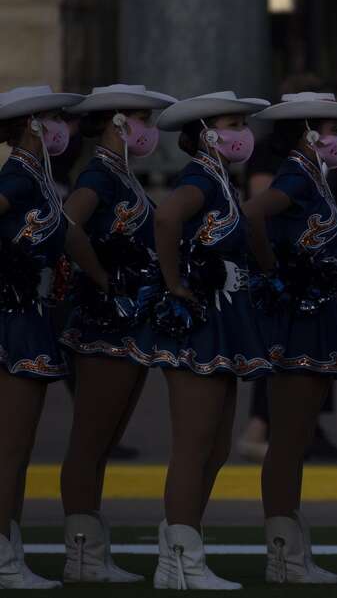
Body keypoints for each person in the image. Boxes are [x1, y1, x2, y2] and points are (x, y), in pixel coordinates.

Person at [138, 91, 274, 590]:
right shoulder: (199, 179)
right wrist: (174, 282)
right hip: (200, 325)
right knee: (194, 446)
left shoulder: (221, 180)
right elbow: (166, 218)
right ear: (207, 133)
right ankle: (180, 560)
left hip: (224, 323)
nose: (244, 133)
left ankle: (183, 546)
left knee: (215, 448)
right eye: (234, 123)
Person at [243, 91, 337, 582]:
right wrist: (273, 269)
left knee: (296, 438)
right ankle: (284, 556)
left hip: (314, 316)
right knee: (289, 440)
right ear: (309, 133)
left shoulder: (313, 175)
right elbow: (252, 213)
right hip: (296, 319)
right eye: (332, 130)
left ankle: (290, 549)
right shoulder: (295, 174)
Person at [58, 84, 175, 583]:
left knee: (104, 440)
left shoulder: (119, 173)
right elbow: (67, 225)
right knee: (90, 440)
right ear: (118, 122)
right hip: (103, 321)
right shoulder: (99, 174)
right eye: (142, 118)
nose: (149, 128)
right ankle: (82, 555)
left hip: (127, 322)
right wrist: (102, 277)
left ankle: (91, 549)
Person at [0, 85, 86, 589]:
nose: (61, 127)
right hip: (14, 318)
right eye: (53, 117)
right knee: (10, 450)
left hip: (29, 315)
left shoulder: (37, 175)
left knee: (16, 450)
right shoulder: (18, 175)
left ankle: (10, 550)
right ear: (32, 124)